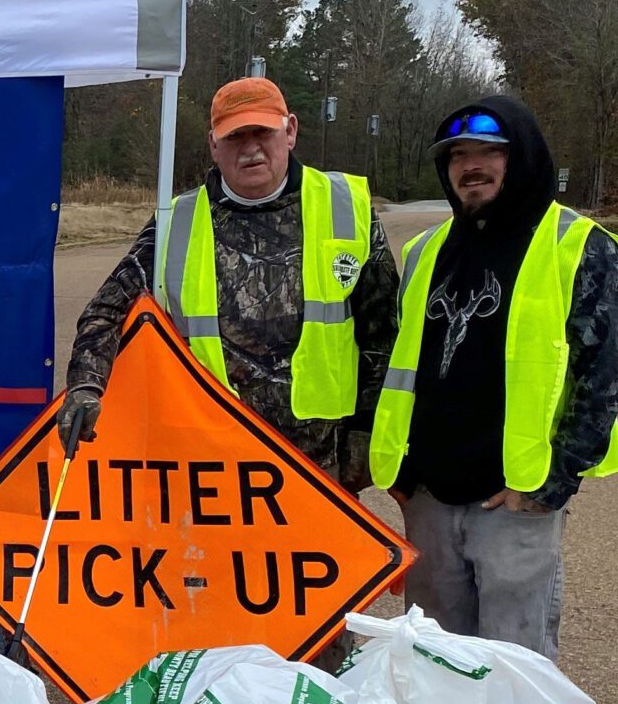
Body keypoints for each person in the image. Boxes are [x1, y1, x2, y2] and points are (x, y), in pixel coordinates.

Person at [368, 95, 618, 659]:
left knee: (516, 670)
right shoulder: (425, 252)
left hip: (514, 501)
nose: (472, 165)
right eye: (458, 155)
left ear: (524, 158)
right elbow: (401, 365)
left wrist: (552, 482)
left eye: (491, 151)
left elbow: (608, 373)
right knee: (433, 666)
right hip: (429, 500)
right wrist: (403, 473)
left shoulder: (577, 245)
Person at [57, 77, 399, 489]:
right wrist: (85, 387)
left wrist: (365, 430)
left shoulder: (347, 207)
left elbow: (384, 335)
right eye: (235, 136)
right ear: (214, 146)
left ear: (289, 131)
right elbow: (106, 311)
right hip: (208, 469)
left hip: (317, 467)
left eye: (262, 132)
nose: (250, 147)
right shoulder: (176, 222)